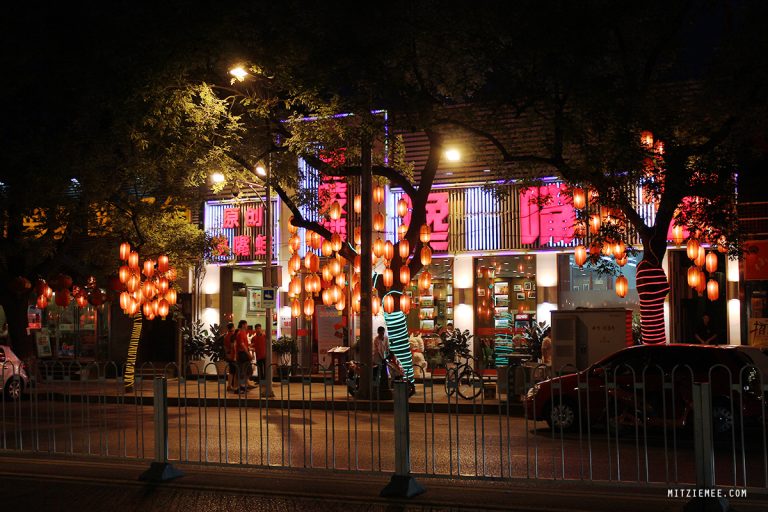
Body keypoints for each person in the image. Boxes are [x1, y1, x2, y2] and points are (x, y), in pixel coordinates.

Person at [233, 320, 253, 393]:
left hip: (242, 353)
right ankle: (239, 387)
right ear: (243, 325)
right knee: (243, 370)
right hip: (242, 354)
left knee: (247, 370)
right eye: (246, 324)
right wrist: (248, 353)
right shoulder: (241, 333)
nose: (247, 326)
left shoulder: (243, 333)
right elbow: (242, 345)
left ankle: (242, 386)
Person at [222, 323, 237, 392]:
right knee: (234, 371)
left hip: (228, 355)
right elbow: (233, 346)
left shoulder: (226, 336)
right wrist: (235, 356)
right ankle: (232, 386)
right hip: (233, 355)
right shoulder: (233, 336)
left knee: (231, 371)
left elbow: (225, 347)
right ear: (233, 327)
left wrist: (227, 354)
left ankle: (230, 385)